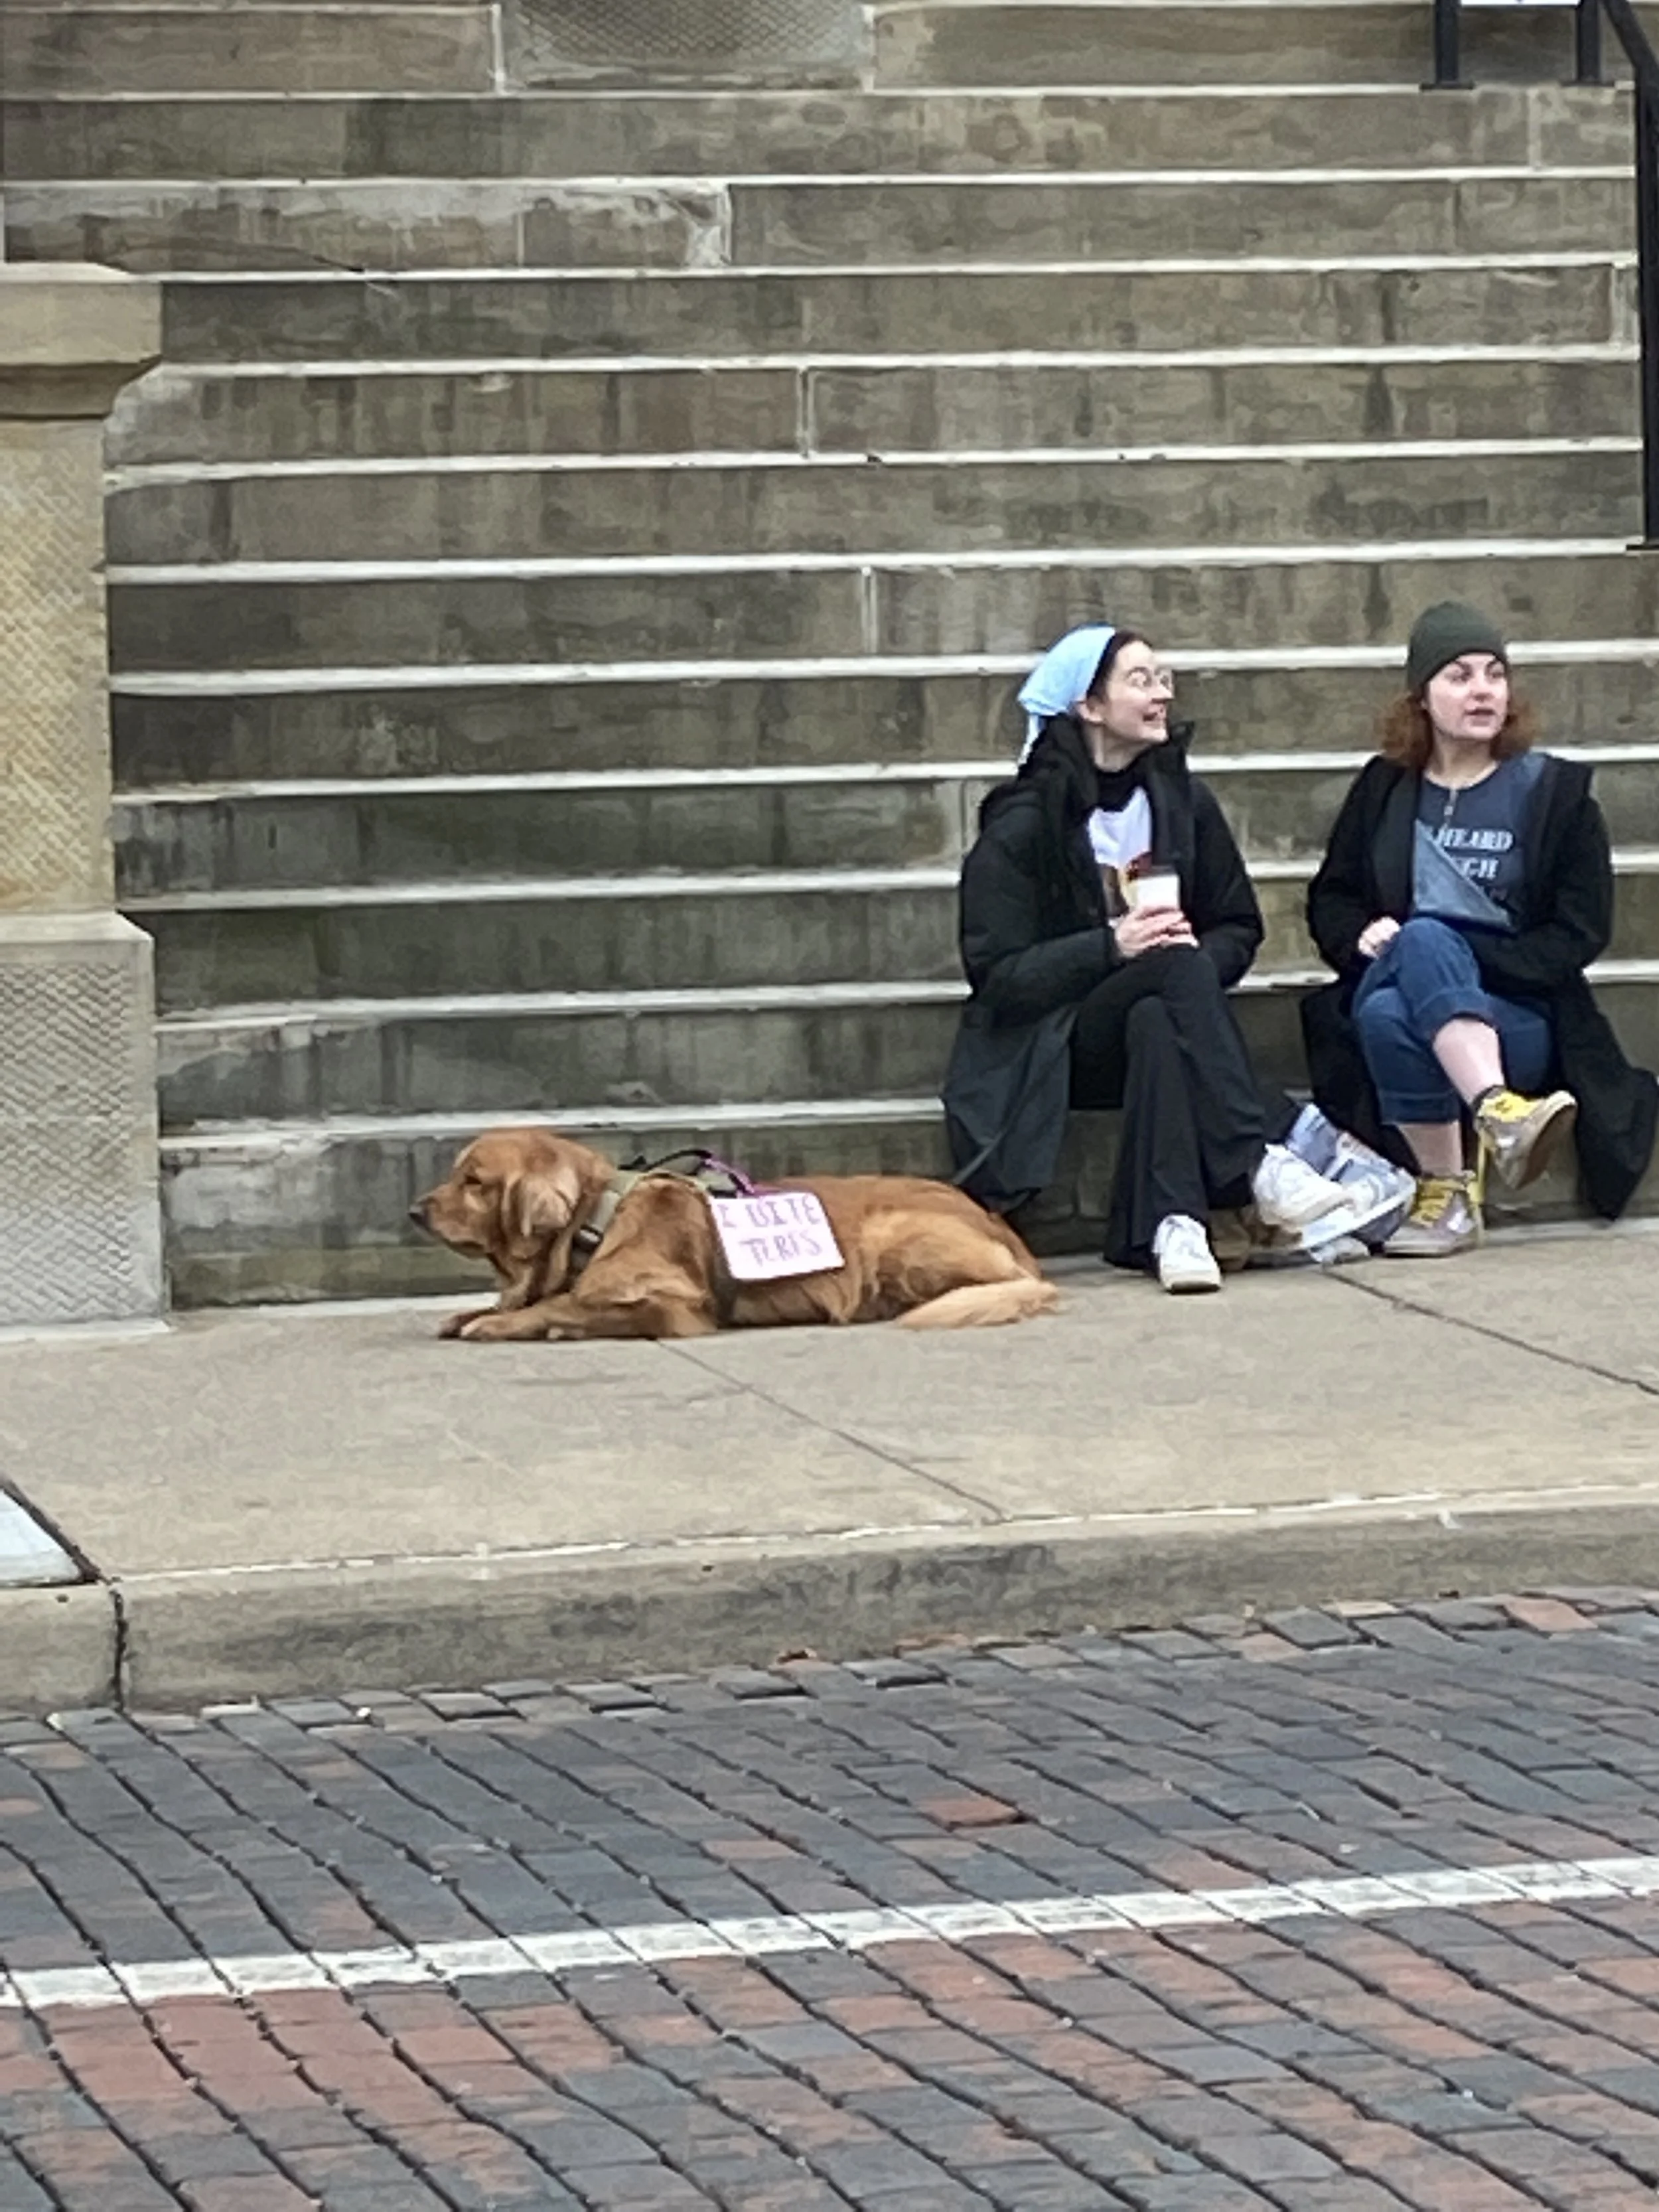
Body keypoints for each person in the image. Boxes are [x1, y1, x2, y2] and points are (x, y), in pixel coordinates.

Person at [943, 623, 1388, 1294]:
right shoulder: (1025, 823)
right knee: (1166, 981)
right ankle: (1259, 1160)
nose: (1160, 695)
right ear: (1088, 707)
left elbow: (1238, 926)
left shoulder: (1180, 803)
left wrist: (1188, 981)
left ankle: (1172, 1225)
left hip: (1161, 1020)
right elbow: (998, 979)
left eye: (1163, 680)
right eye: (1140, 680)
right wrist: (1110, 946)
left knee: (1160, 1013)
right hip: (1060, 1041)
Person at [1303, 600, 1658, 1256]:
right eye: (1459, 676)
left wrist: (1458, 956)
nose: (1482, 691)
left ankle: (1449, 1193)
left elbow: (1579, 933)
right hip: (1396, 968)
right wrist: (1362, 937)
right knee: (1414, 949)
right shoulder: (1384, 788)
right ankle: (1499, 1114)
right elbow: (1332, 899)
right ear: (1421, 698)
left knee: (1389, 1008)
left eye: (1494, 674)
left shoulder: (1555, 795)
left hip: (1516, 1015)